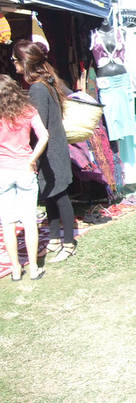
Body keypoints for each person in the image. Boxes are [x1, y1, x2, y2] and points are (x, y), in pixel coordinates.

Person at [12, 39, 77, 263]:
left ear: (25, 61)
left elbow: (39, 124)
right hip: (53, 147)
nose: (13, 64)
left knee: (59, 195)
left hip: (51, 149)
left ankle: (68, 243)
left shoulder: (39, 88)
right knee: (50, 193)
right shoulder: (45, 82)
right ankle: (55, 239)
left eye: (15, 60)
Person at [0, 75, 49, 281]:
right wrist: (32, 158)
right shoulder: (28, 110)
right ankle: (35, 269)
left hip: (3, 172)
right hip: (25, 169)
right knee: (30, 222)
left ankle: (15, 269)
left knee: (8, 224)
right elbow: (44, 135)